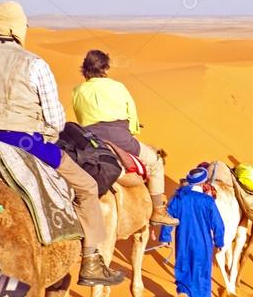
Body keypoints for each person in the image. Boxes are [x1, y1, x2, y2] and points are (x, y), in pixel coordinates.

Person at [0, 1, 123, 287]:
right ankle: (92, 261)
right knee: (87, 187)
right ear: (19, 29)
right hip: (26, 143)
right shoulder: (34, 64)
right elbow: (56, 120)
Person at [71, 50, 178, 227]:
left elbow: (80, 117)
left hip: (92, 142)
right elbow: (132, 116)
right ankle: (158, 210)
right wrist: (133, 130)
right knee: (156, 163)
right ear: (105, 67)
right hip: (120, 138)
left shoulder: (77, 90)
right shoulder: (117, 86)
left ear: (85, 68)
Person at [159, 167, 225, 297]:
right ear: (203, 183)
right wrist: (219, 242)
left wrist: (165, 237)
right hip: (202, 244)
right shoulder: (207, 201)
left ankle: (184, 293)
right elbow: (218, 224)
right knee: (201, 274)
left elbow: (168, 218)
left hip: (183, 242)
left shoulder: (178, 197)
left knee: (183, 270)